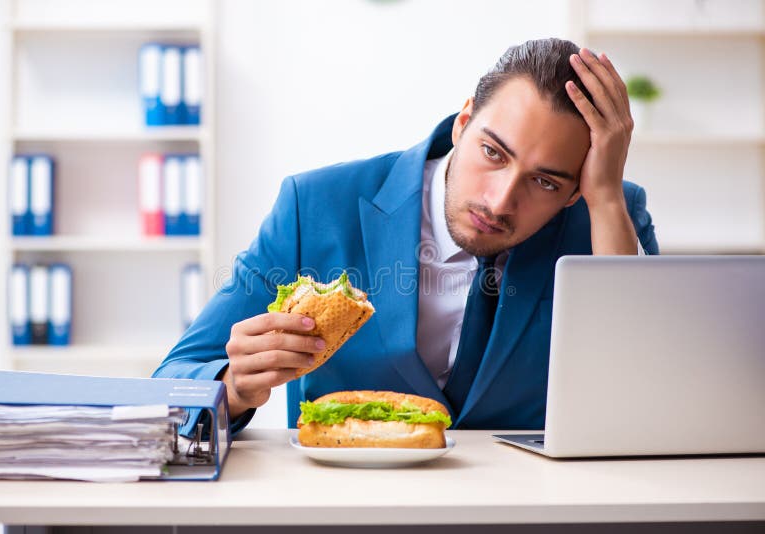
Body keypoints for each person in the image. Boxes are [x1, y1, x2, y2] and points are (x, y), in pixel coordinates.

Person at [153, 38, 658, 436]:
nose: (502, 201)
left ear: (575, 191)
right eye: (493, 153)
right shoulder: (316, 206)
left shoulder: (605, 217)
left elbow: (645, 397)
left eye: (545, 181)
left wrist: (608, 201)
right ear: (463, 123)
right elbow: (170, 384)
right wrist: (233, 386)